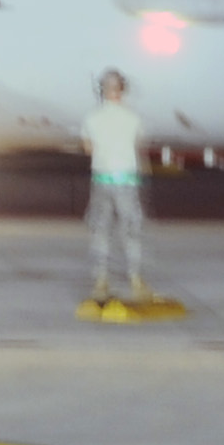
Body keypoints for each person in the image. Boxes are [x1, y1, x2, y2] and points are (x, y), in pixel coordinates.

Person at [80, 68, 149, 305]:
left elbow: (88, 148)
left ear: (102, 91)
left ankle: (100, 281)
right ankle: (135, 279)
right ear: (122, 90)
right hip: (127, 179)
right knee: (131, 232)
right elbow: (138, 141)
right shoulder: (134, 118)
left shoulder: (91, 118)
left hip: (101, 179)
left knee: (100, 231)